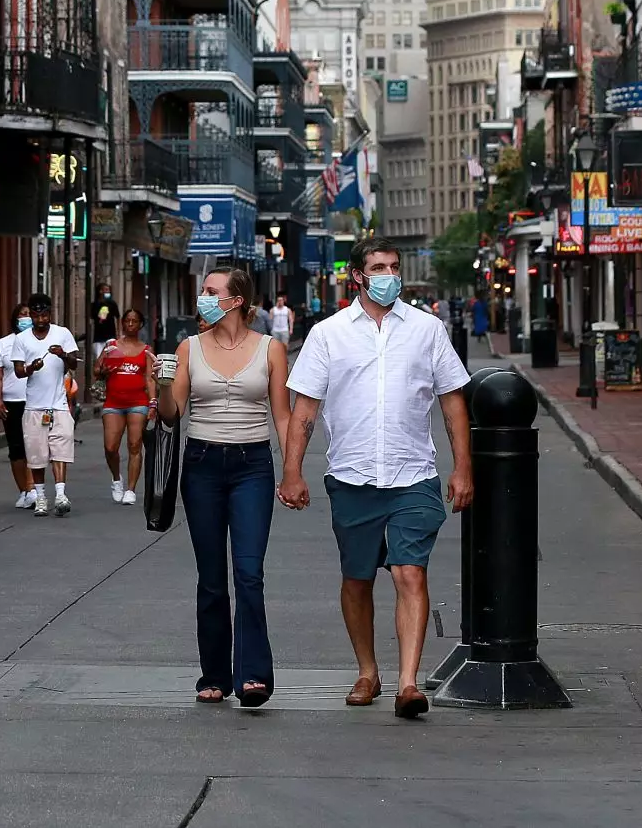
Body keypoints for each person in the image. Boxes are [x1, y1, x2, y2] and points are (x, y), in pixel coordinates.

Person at [280, 236, 473, 720]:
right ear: (359, 276)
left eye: (393, 266)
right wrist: (292, 471)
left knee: (410, 572)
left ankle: (409, 682)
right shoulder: (329, 334)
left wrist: (463, 467)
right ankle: (368, 670)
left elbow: (453, 401)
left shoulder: (427, 330)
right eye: (378, 267)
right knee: (357, 578)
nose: (388, 275)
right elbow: (305, 409)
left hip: (414, 475)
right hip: (352, 476)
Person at [161, 267, 290, 707]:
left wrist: (292, 468)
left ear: (235, 301)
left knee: (249, 573)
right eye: (203, 290)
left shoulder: (270, 349)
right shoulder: (189, 348)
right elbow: (171, 412)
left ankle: (253, 674)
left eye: (211, 291)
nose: (203, 297)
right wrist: (160, 385)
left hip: (252, 465)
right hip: (202, 466)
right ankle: (214, 673)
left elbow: (283, 416)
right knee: (212, 577)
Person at [6, 292, 80, 516]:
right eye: (36, 315)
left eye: (44, 314)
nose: (40, 319)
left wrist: (63, 354)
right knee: (36, 454)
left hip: (58, 403)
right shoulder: (22, 339)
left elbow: (74, 363)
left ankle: (60, 494)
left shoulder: (62, 333)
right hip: (34, 407)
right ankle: (40, 497)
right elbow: (19, 372)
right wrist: (31, 368)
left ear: (50, 313)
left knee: (60, 449)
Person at [98, 308, 154, 504]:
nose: (130, 325)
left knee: (134, 444)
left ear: (140, 325)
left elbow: (149, 378)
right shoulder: (111, 346)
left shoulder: (146, 350)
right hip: (114, 402)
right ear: (122, 323)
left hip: (138, 402)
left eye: (134, 321)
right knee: (110, 447)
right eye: (127, 321)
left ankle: (130, 489)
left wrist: (153, 402)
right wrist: (104, 369)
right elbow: (97, 370)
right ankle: (116, 479)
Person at [0, 301, 38, 508]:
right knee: (17, 448)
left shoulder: (39, 341)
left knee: (33, 446)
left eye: (29, 314)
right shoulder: (4, 344)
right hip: (12, 401)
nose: (26, 318)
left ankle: (34, 488)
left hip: (35, 400)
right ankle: (24, 491)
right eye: (22, 314)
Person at [90, 281, 120, 349]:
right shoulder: (95, 304)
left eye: (109, 290)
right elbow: (92, 318)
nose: (108, 292)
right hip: (98, 336)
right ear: (100, 291)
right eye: (106, 290)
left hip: (110, 335)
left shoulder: (112, 303)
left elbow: (118, 317)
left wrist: (118, 333)